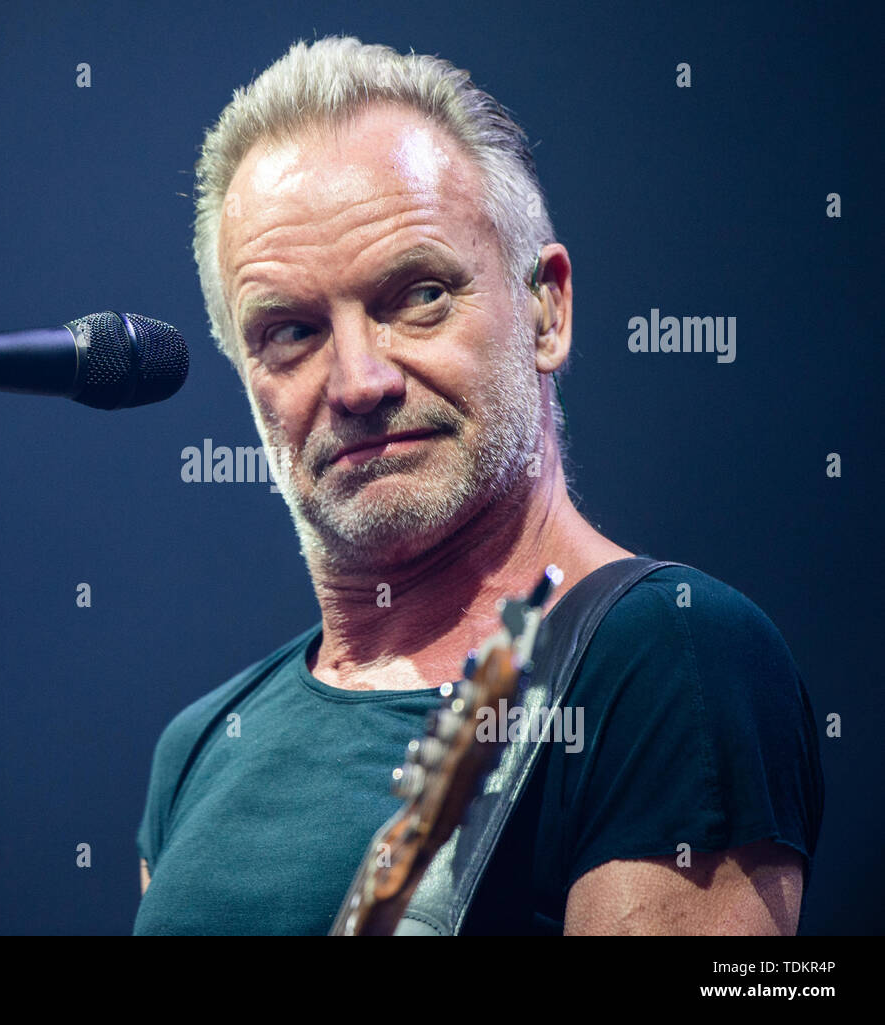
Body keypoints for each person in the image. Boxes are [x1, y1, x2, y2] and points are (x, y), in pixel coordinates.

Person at [133, 36, 823, 935]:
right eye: (291, 331)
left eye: (416, 295)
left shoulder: (672, 657)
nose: (358, 381)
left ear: (547, 309)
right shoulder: (196, 748)